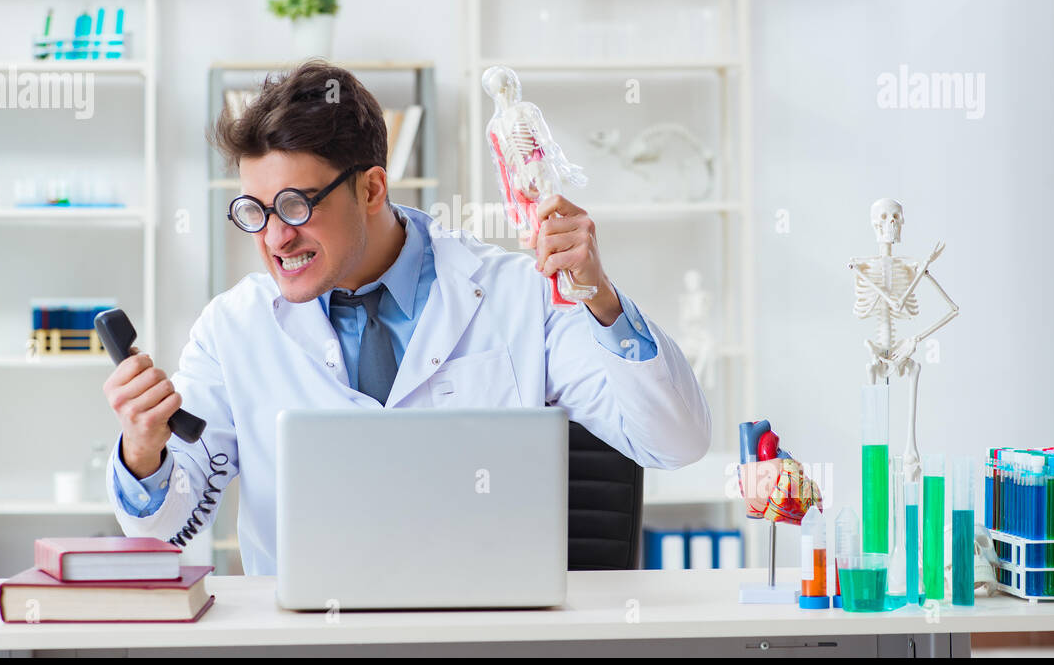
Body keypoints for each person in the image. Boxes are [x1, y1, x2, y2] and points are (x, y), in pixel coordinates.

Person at [103, 60, 711, 574]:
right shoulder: (232, 330)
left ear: (370, 190)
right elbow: (163, 536)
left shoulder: (515, 294)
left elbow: (676, 442)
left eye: (294, 205)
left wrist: (600, 296)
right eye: (255, 210)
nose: (276, 238)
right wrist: (143, 450)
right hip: (308, 649)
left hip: (483, 638)